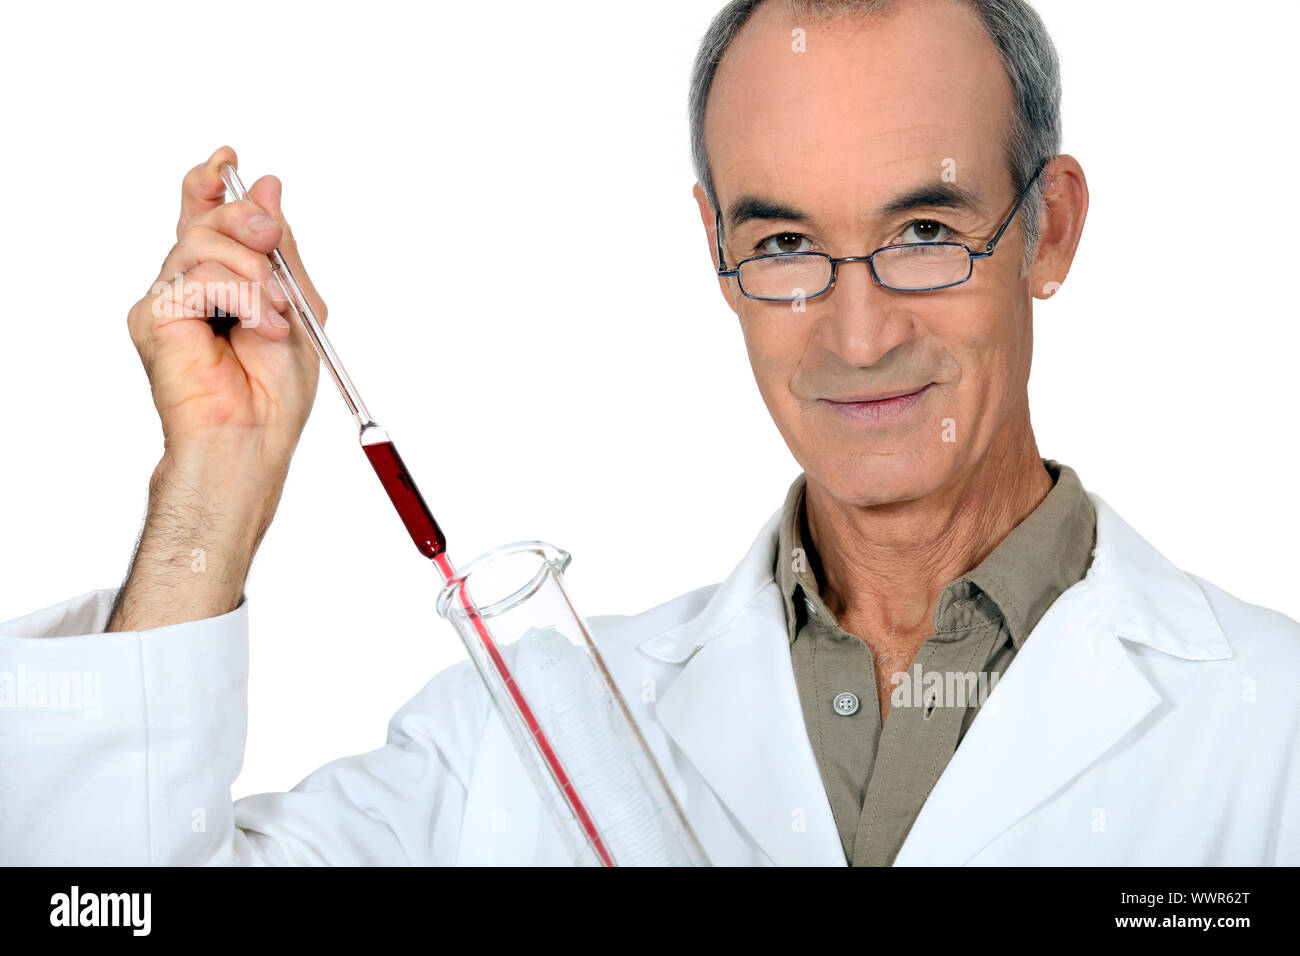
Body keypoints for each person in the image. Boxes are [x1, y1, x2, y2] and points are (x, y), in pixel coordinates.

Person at [2, 0, 1297, 866]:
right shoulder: (512, 741)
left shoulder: (1268, 733)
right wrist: (207, 501)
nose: (856, 336)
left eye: (923, 233)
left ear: (1051, 229)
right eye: (783, 243)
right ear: (715, 250)